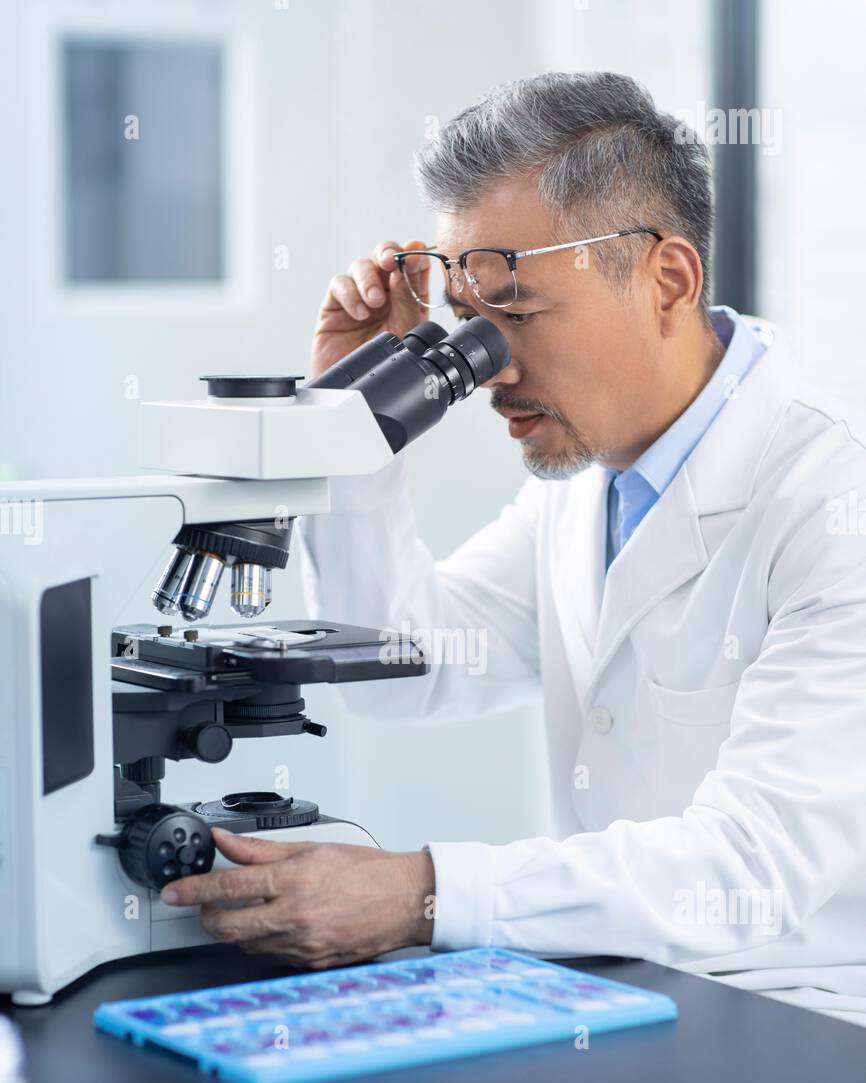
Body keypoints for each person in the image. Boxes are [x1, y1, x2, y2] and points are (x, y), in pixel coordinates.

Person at [163, 72, 866, 1025]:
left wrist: (418, 894)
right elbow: (411, 669)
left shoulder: (836, 500)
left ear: (668, 279)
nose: (488, 371)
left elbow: (748, 867)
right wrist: (346, 428)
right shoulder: (597, 486)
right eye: (469, 326)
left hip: (812, 1023)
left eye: (518, 316)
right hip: (624, 992)